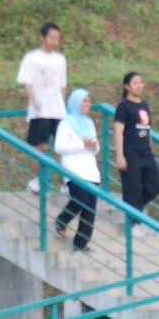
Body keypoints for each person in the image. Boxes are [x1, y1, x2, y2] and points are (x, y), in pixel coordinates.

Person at [16, 21, 67, 191]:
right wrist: (34, 99)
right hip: (40, 109)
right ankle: (37, 180)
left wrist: (63, 105)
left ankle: (66, 182)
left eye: (57, 39)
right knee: (41, 146)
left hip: (57, 109)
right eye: (51, 38)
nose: (54, 42)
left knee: (63, 146)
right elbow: (28, 82)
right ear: (43, 38)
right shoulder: (32, 58)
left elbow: (62, 85)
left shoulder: (60, 60)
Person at [53, 88, 100, 251]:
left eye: (89, 101)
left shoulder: (89, 123)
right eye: (84, 101)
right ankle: (62, 220)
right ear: (75, 102)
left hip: (90, 170)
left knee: (90, 209)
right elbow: (59, 147)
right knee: (80, 199)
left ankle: (81, 243)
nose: (88, 104)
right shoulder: (66, 123)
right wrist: (82, 144)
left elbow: (96, 148)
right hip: (73, 169)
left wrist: (93, 146)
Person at [113, 70, 159, 212]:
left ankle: (135, 211)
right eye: (135, 83)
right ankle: (132, 220)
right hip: (131, 153)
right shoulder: (123, 106)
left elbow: (148, 130)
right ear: (127, 87)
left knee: (155, 185)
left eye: (141, 82)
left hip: (146, 153)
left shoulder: (144, 105)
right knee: (133, 189)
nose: (139, 85)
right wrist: (120, 156)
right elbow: (118, 132)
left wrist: (150, 148)